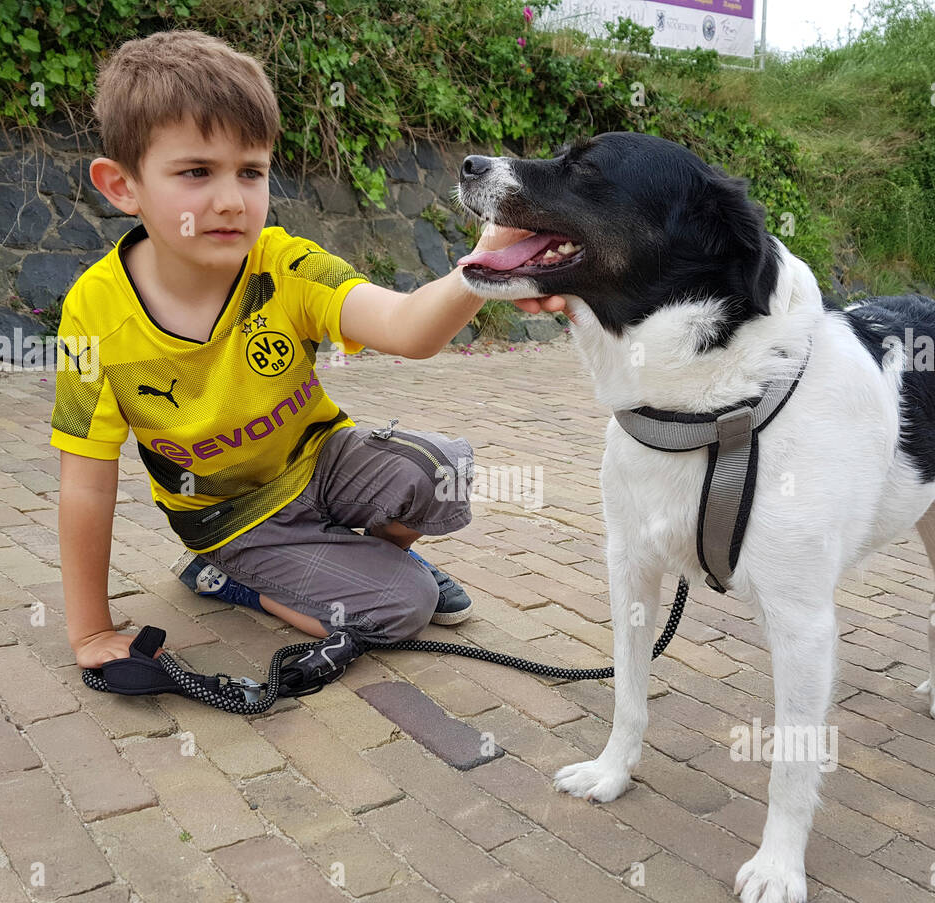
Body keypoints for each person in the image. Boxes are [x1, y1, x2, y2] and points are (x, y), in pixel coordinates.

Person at [50, 29, 566, 694]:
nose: (232, 199)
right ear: (122, 185)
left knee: (442, 467)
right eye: (196, 172)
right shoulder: (94, 314)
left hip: (319, 461)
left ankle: (361, 565)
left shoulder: (284, 263)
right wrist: (91, 631)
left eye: (251, 171)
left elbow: (408, 329)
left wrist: (490, 260)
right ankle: (233, 579)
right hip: (230, 516)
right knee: (407, 606)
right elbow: (85, 483)